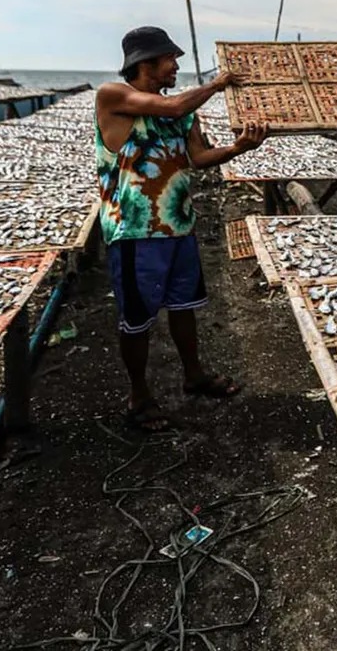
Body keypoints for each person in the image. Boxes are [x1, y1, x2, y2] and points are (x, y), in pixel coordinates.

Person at [95, 26, 267, 432]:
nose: (176, 66)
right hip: (134, 232)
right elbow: (170, 108)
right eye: (170, 59)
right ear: (145, 64)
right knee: (137, 319)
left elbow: (198, 157)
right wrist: (218, 84)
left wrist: (238, 148)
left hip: (178, 225)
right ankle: (139, 397)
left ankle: (194, 374)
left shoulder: (185, 112)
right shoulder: (113, 96)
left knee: (184, 307)